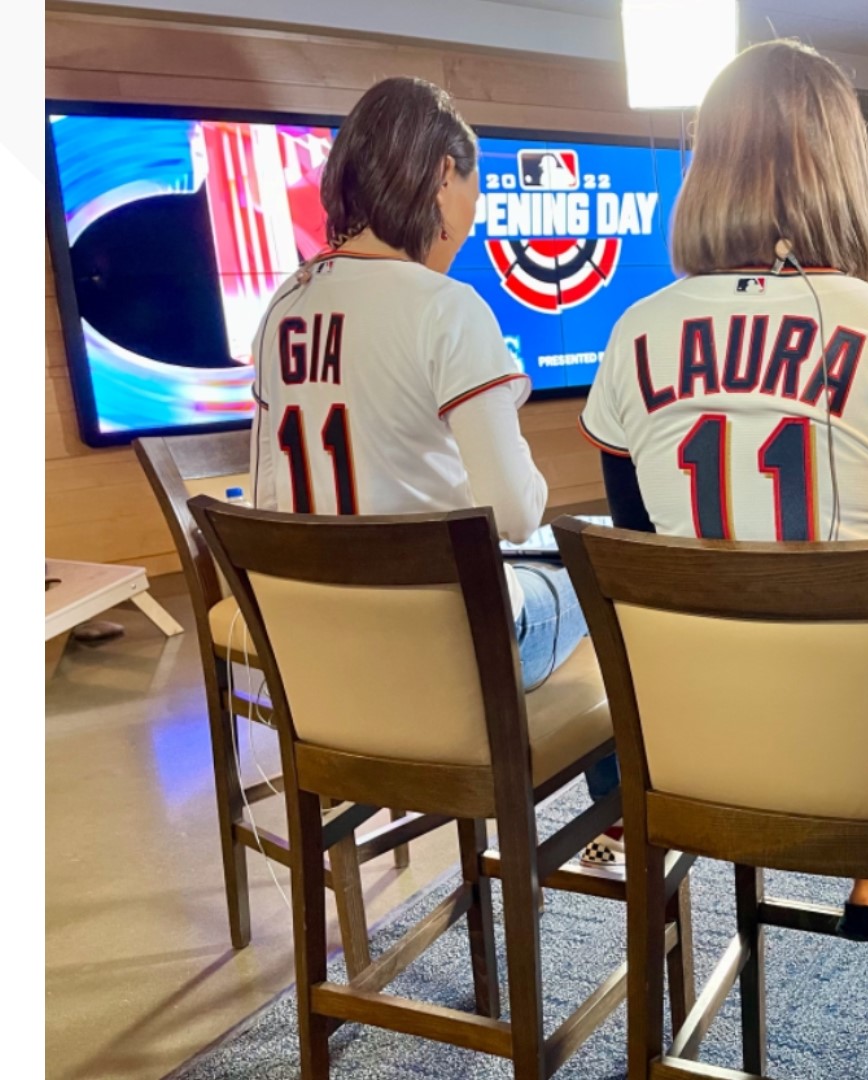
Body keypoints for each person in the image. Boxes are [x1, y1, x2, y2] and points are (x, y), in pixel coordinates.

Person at [579, 39, 868, 941]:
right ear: (844, 168)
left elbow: (637, 543)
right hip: (859, 740)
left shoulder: (633, 332)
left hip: (694, 723)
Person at [247, 77, 621, 855]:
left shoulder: (284, 306)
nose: (476, 211)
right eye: (476, 184)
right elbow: (516, 513)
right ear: (442, 179)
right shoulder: (445, 310)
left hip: (325, 658)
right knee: (605, 561)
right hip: (447, 663)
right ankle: (620, 826)